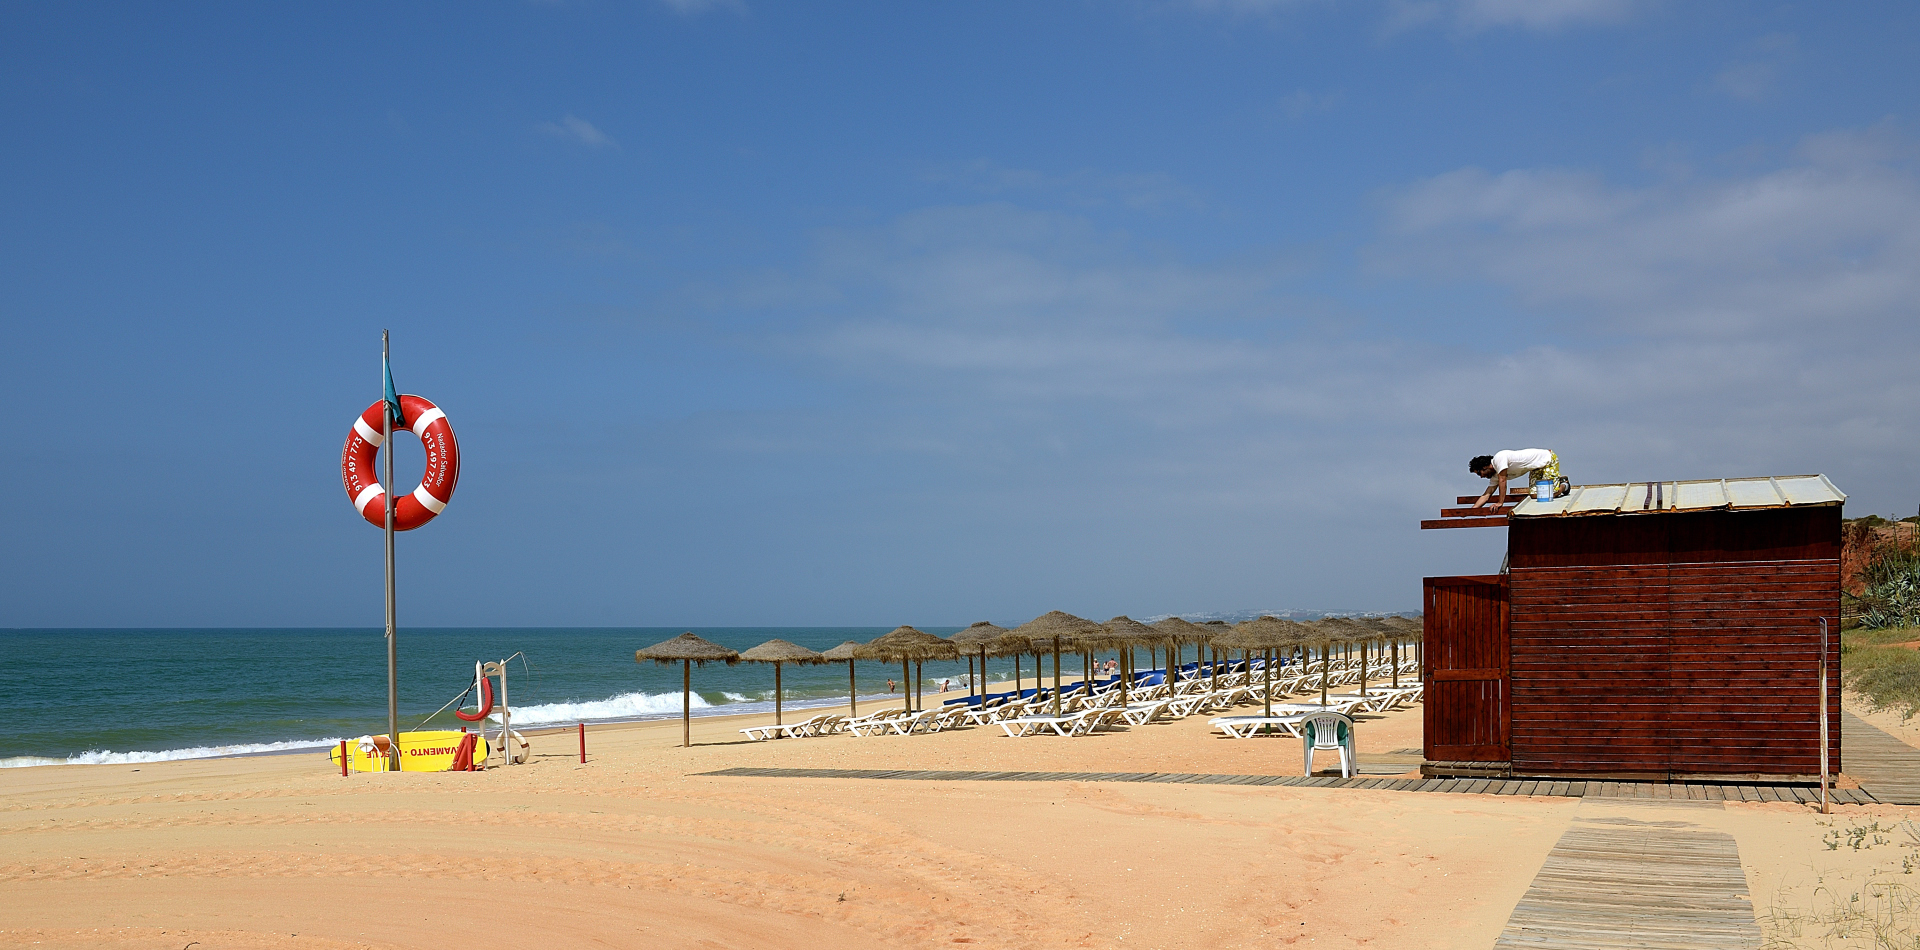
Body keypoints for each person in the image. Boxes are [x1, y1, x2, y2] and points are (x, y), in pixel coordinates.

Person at [1470, 449, 1566, 507]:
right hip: (1535, 468)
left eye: (1479, 473)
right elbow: (1486, 495)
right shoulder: (1495, 475)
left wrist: (1500, 502)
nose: (1481, 477)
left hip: (1548, 459)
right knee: (1534, 495)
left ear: (1484, 466)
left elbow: (1502, 481)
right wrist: (1471, 511)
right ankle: (1560, 484)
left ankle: (1564, 485)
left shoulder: (1499, 458)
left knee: (1548, 494)